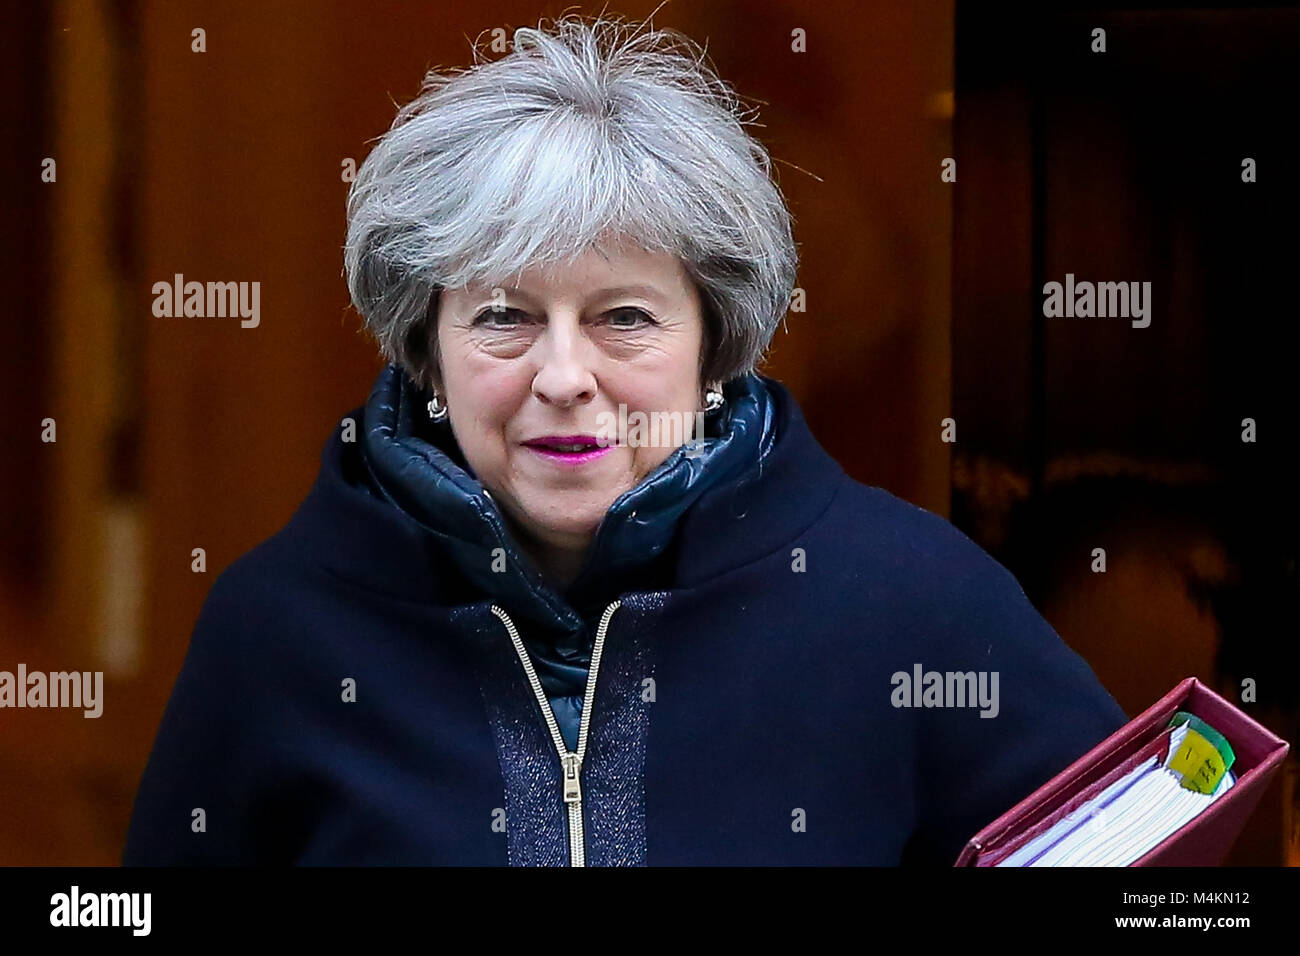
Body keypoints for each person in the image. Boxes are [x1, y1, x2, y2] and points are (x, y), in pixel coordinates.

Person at [123, 15, 1126, 866]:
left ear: (716, 343)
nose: (563, 376)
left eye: (625, 317)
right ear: (426, 348)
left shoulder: (918, 601)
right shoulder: (278, 626)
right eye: (504, 316)